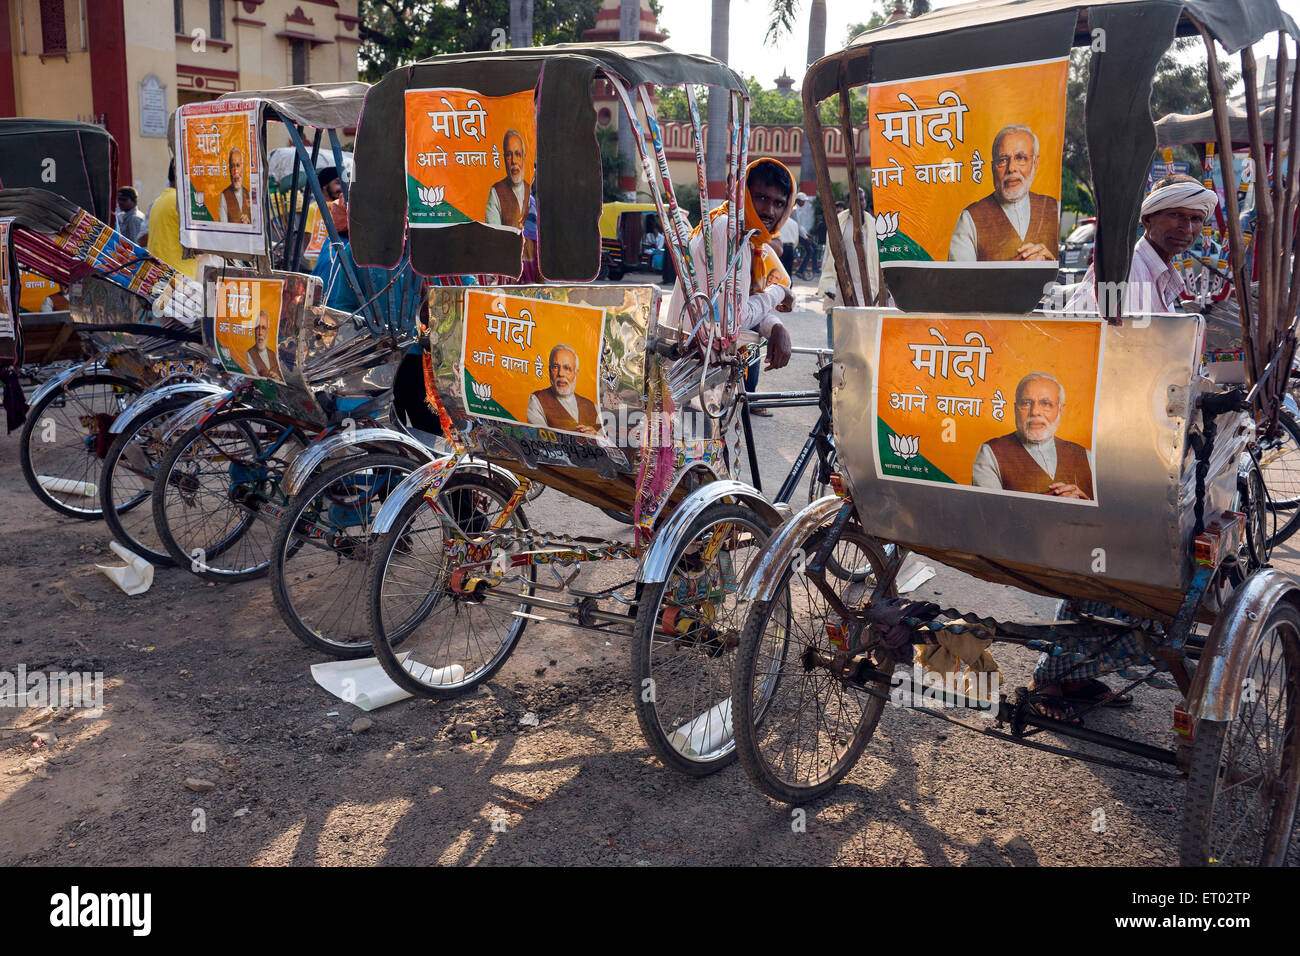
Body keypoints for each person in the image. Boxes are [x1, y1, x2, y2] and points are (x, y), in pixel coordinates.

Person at [667, 157, 795, 399]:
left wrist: (774, 325)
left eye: (779, 203)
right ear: (744, 194)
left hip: (704, 372)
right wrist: (779, 292)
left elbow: (738, 306)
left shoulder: (748, 238)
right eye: (762, 198)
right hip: (693, 377)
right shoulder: (729, 231)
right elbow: (733, 321)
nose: (770, 211)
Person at [1061, 174, 1217, 314]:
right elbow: (1073, 331)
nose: (1187, 228)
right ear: (1147, 220)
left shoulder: (1160, 275)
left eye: (1196, 219)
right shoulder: (1122, 272)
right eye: (1176, 215)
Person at [971, 371, 1093, 499]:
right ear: (1015, 409)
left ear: (1060, 410)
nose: (1035, 412)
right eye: (1026, 403)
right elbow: (988, 512)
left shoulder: (1086, 456)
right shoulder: (990, 453)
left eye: (1046, 404)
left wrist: (1086, 501)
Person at [948, 124, 1058, 262]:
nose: (1011, 168)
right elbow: (958, 282)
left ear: (1035, 163)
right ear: (993, 168)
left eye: (1021, 158)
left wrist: (1051, 264)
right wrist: (1008, 273)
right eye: (1002, 160)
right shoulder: (970, 219)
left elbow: (1069, 278)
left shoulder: (1054, 207)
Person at [818, 187, 883, 313]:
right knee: (840, 325)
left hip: (866, 285)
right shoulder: (838, 223)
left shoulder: (873, 225)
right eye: (854, 200)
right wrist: (829, 284)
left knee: (863, 323)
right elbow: (828, 256)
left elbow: (880, 258)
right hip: (842, 284)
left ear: (865, 201)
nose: (858, 203)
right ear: (848, 202)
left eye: (861, 199)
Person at [526, 344, 601, 434]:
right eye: (555, 367)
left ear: (576, 374)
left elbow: (608, 441)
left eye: (567, 368)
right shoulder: (536, 400)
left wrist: (597, 437)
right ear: (549, 371)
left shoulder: (593, 407)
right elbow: (541, 440)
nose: (561, 373)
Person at [147, 161, 198, 280]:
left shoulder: (161, 200)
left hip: (160, 276)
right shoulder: (182, 201)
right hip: (179, 279)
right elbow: (197, 246)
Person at [485, 130, 530, 230]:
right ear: (504, 159)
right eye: (509, 155)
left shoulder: (530, 190)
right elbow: (494, 237)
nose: (514, 161)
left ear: (523, 157)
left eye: (518, 154)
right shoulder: (495, 193)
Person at [244, 309, 282, 379]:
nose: (260, 332)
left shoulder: (273, 354)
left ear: (267, 331)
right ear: (254, 330)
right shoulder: (250, 354)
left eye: (263, 328)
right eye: (257, 328)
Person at [218, 147, 251, 224]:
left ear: (242, 168)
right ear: (229, 169)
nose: (235, 170)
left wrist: (248, 222)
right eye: (232, 166)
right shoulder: (224, 196)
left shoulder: (248, 194)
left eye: (238, 165)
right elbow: (224, 229)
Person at [318, 166, 349, 238]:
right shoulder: (315, 208)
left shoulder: (342, 205)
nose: (342, 188)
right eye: (338, 183)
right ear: (325, 186)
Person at [791, 191, 817, 278]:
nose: (804, 202)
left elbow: (801, 226)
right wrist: (806, 238)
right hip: (796, 234)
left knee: (815, 247)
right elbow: (797, 227)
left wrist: (807, 234)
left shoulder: (799, 210)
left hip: (801, 233)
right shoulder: (794, 211)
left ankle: (815, 268)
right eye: (803, 201)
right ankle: (800, 271)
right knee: (810, 251)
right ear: (798, 200)